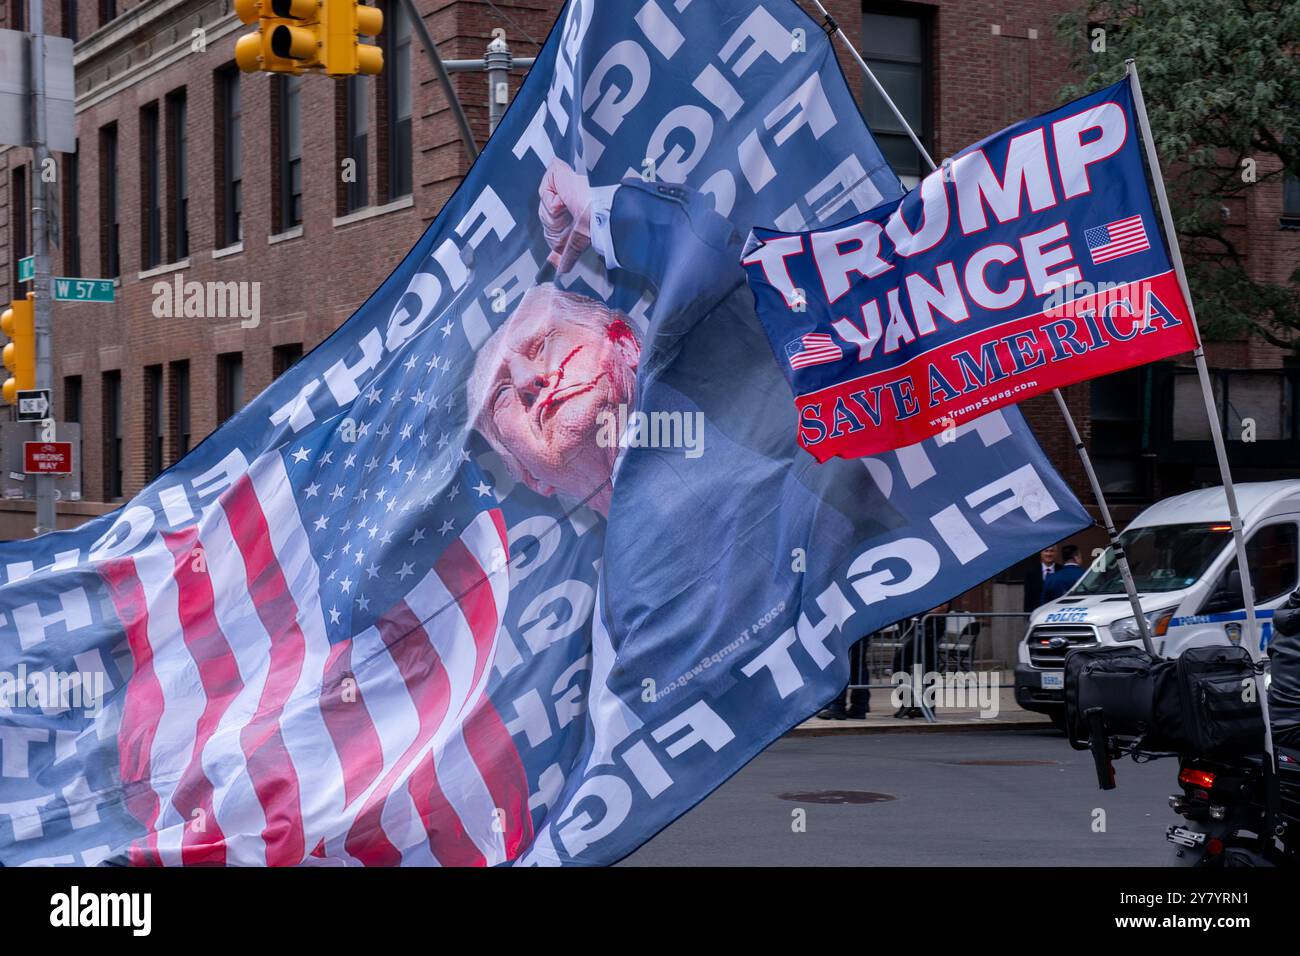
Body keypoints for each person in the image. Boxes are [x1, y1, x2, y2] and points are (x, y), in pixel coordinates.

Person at [1023, 545, 1061, 611]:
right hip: (1037, 612)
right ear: (1041, 553)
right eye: (1046, 551)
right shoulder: (1031, 572)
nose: (1049, 554)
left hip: (1056, 611)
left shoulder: (1061, 570)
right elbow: (1028, 597)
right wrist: (1027, 616)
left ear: (1056, 553)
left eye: (1052, 551)